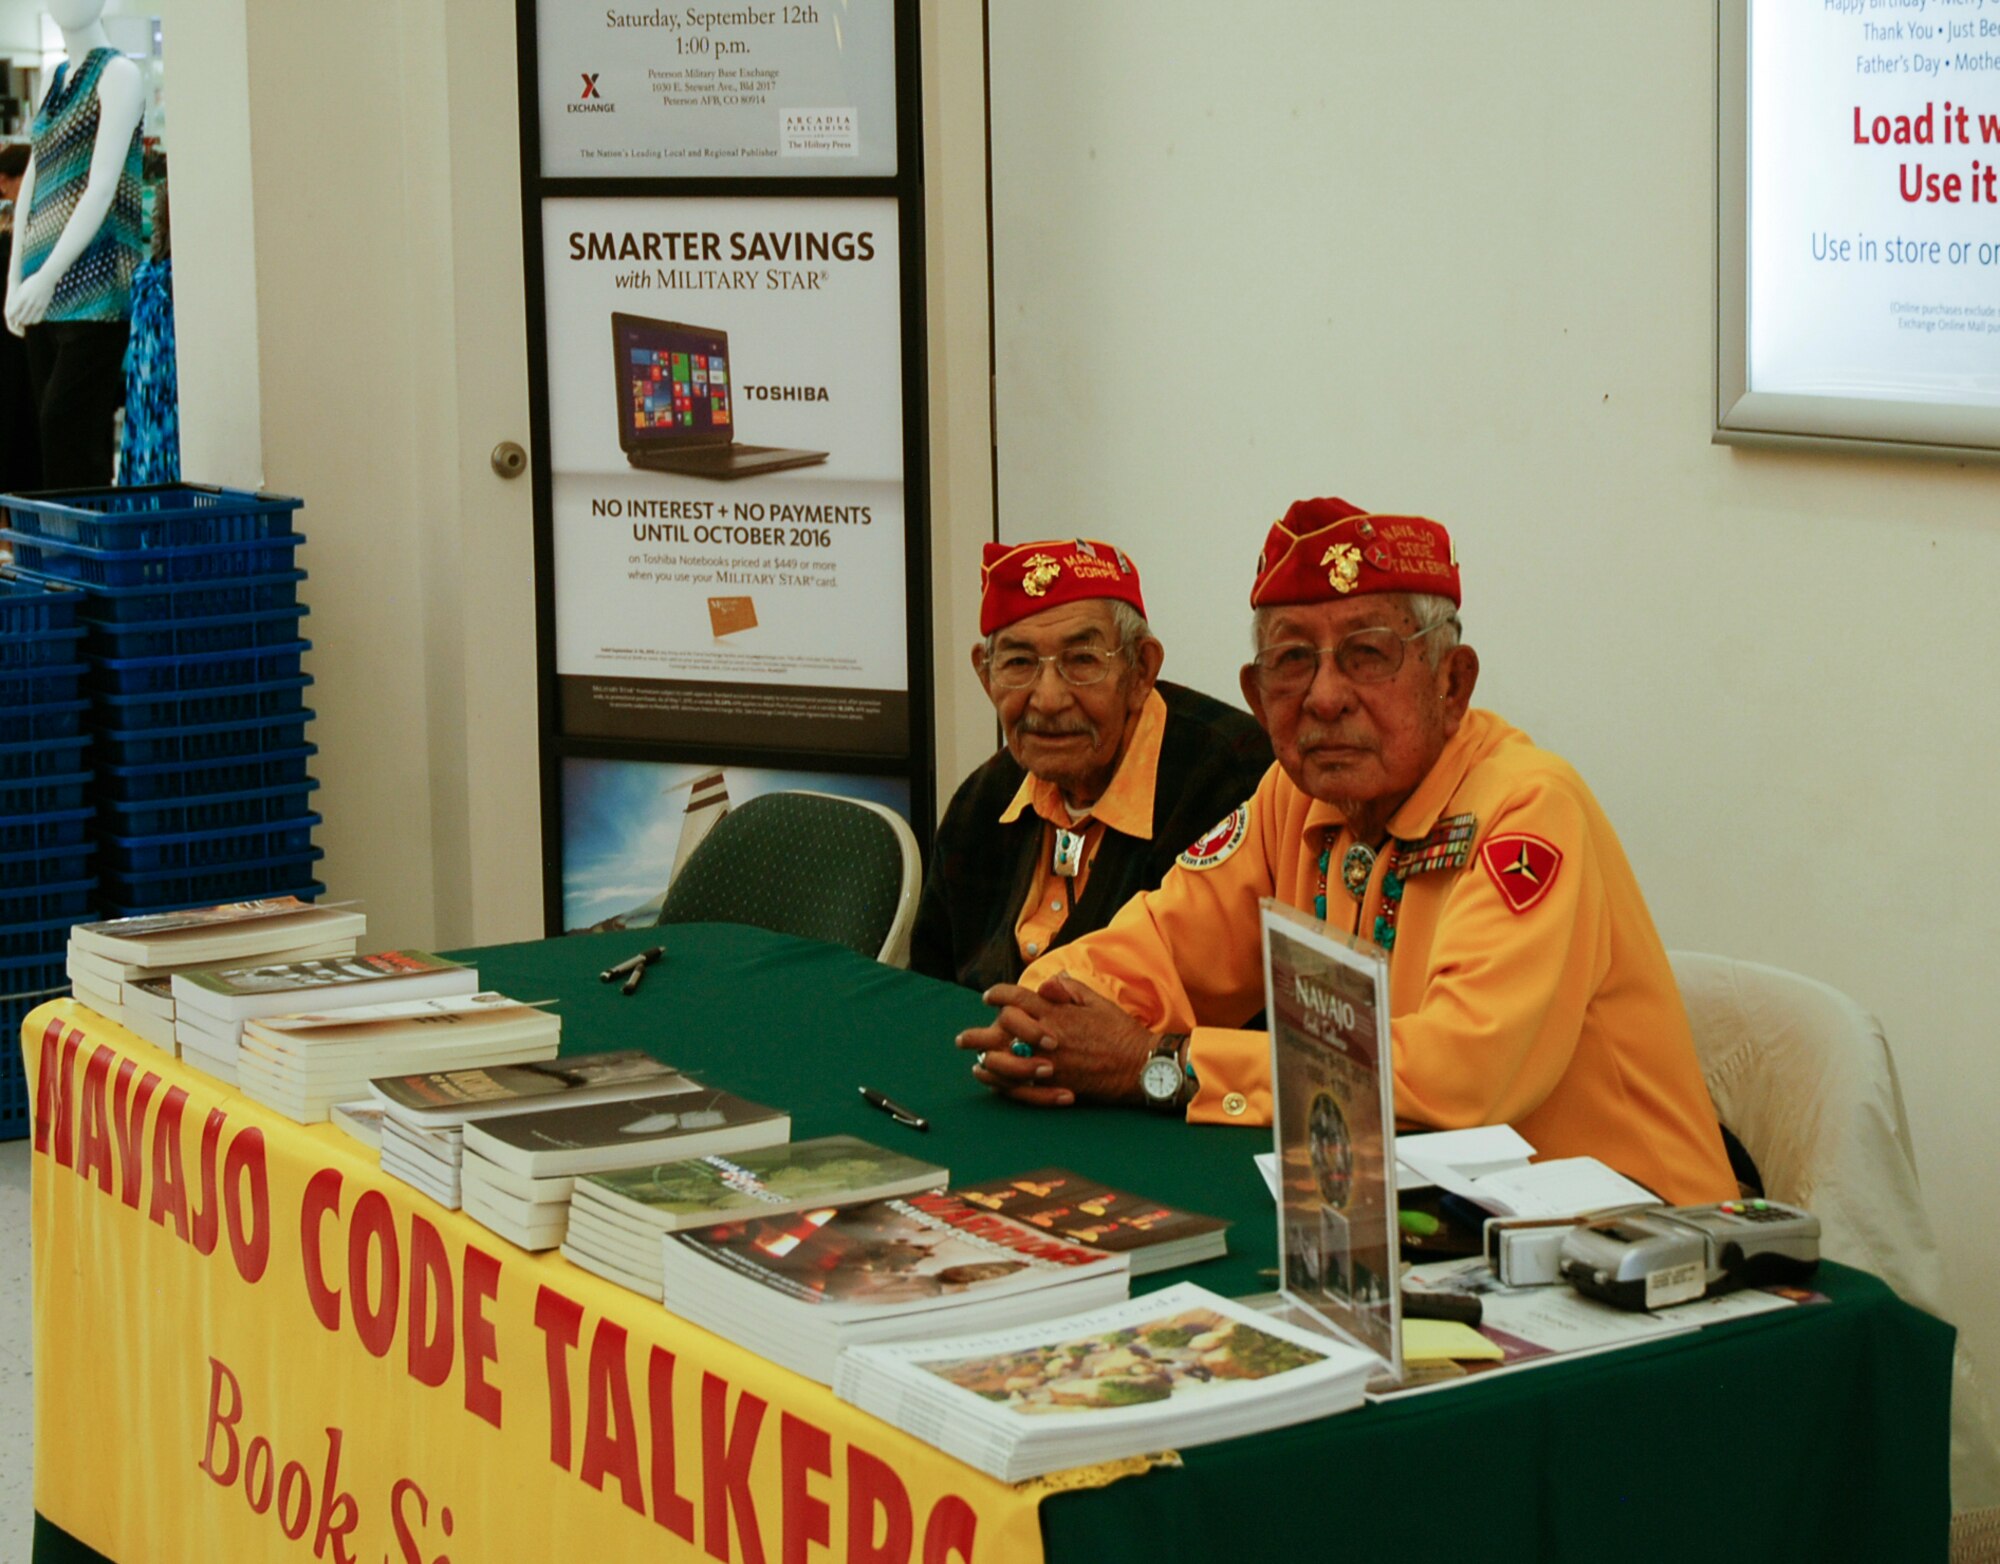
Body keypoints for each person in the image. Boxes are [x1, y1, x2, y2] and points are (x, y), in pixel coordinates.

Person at [958, 498, 1735, 1207]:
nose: (1326, 697)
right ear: (1259, 699)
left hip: (1628, 1234)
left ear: (1452, 683)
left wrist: (1163, 1064)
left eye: (1367, 655)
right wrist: (1052, 1009)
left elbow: (1459, 1076)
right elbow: (1158, 944)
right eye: (1294, 662)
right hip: (1404, 1212)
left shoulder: (1527, 810)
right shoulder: (1291, 795)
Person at [911, 537, 1273, 992]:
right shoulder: (983, 800)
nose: (1048, 699)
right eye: (1019, 662)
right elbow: (929, 985)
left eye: (1082, 661)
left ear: (1140, 670)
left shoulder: (1234, 784)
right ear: (986, 675)